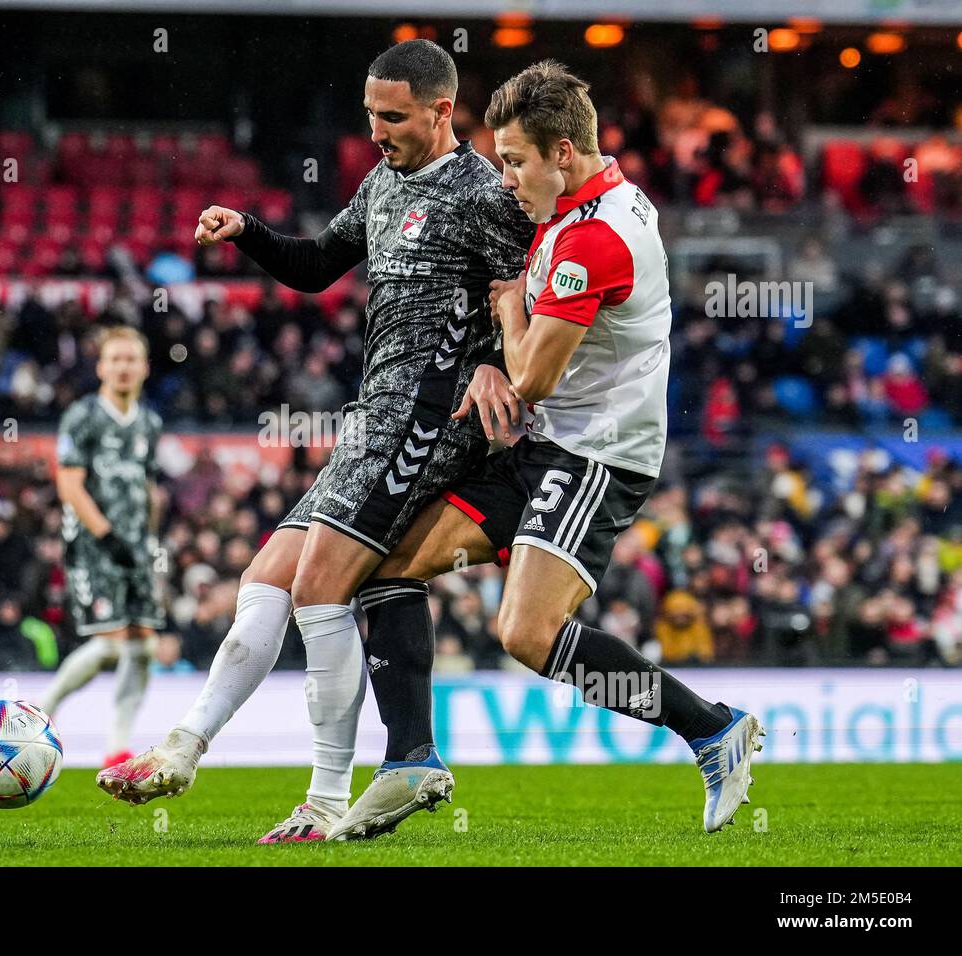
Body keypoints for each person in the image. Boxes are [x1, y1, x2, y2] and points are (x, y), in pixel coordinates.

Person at [98, 38, 532, 843]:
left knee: (319, 589)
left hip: (431, 420)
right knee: (265, 580)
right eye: (369, 113)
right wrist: (247, 231)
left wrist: (494, 365)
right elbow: (316, 267)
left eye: (393, 115)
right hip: (374, 417)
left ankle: (327, 800)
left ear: (443, 111)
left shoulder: (483, 193)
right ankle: (184, 749)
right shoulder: (382, 182)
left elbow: (525, 300)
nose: (375, 129)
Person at [327, 61, 763, 840]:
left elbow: (529, 377)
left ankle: (710, 728)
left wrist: (504, 313)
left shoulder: (592, 241)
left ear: (563, 153)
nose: (505, 179)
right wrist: (498, 346)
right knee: (391, 566)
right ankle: (411, 758)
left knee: (526, 634)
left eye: (516, 161)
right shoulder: (593, 202)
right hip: (549, 444)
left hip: (598, 457)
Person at [37, 326, 164, 768]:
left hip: (136, 546)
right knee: (110, 644)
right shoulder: (83, 416)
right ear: (101, 367)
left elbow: (147, 487)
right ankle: (42, 711)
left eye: (132, 359)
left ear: (145, 367)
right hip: (93, 546)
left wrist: (148, 540)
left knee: (143, 645)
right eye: (116, 359)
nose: (124, 366)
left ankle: (117, 747)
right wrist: (107, 537)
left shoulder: (150, 422)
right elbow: (69, 485)